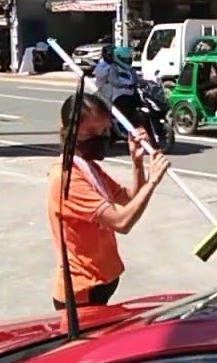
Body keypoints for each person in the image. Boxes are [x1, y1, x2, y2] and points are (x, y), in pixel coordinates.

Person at [48, 93, 171, 309]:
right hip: (81, 294)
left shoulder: (89, 168)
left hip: (100, 284)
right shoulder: (67, 179)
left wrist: (136, 161)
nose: (101, 138)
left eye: (104, 131)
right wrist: (152, 182)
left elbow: (130, 199)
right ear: (68, 132)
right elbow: (122, 222)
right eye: (91, 132)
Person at [93, 46, 142, 130]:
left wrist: (145, 82)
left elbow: (135, 78)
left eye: (128, 59)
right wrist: (125, 84)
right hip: (106, 93)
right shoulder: (105, 66)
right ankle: (117, 125)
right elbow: (112, 80)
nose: (109, 56)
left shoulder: (126, 68)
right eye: (108, 55)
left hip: (125, 92)